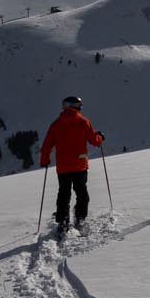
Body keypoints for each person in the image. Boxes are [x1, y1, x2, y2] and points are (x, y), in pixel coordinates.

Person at [39, 95, 104, 235]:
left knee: (63, 193)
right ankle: (80, 218)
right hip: (80, 165)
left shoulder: (55, 125)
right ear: (76, 107)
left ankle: (63, 221)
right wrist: (100, 137)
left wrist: (44, 160)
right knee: (81, 192)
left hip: (63, 167)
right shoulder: (83, 122)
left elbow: (46, 146)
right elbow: (94, 140)